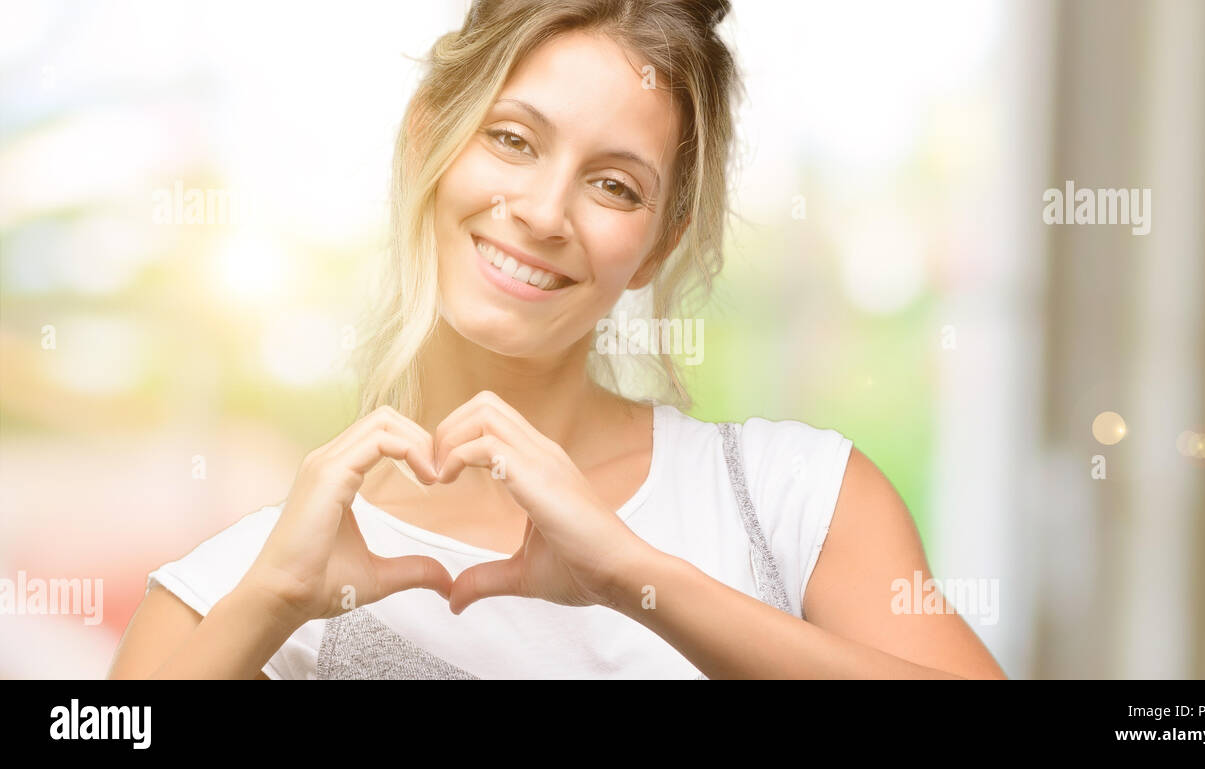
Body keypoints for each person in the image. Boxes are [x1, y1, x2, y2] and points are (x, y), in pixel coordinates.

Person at [108, 0, 1007, 680]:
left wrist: (632, 575)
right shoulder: (252, 577)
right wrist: (270, 604)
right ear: (429, 138)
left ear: (659, 241)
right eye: (511, 139)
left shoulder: (795, 499)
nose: (542, 212)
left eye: (614, 186)